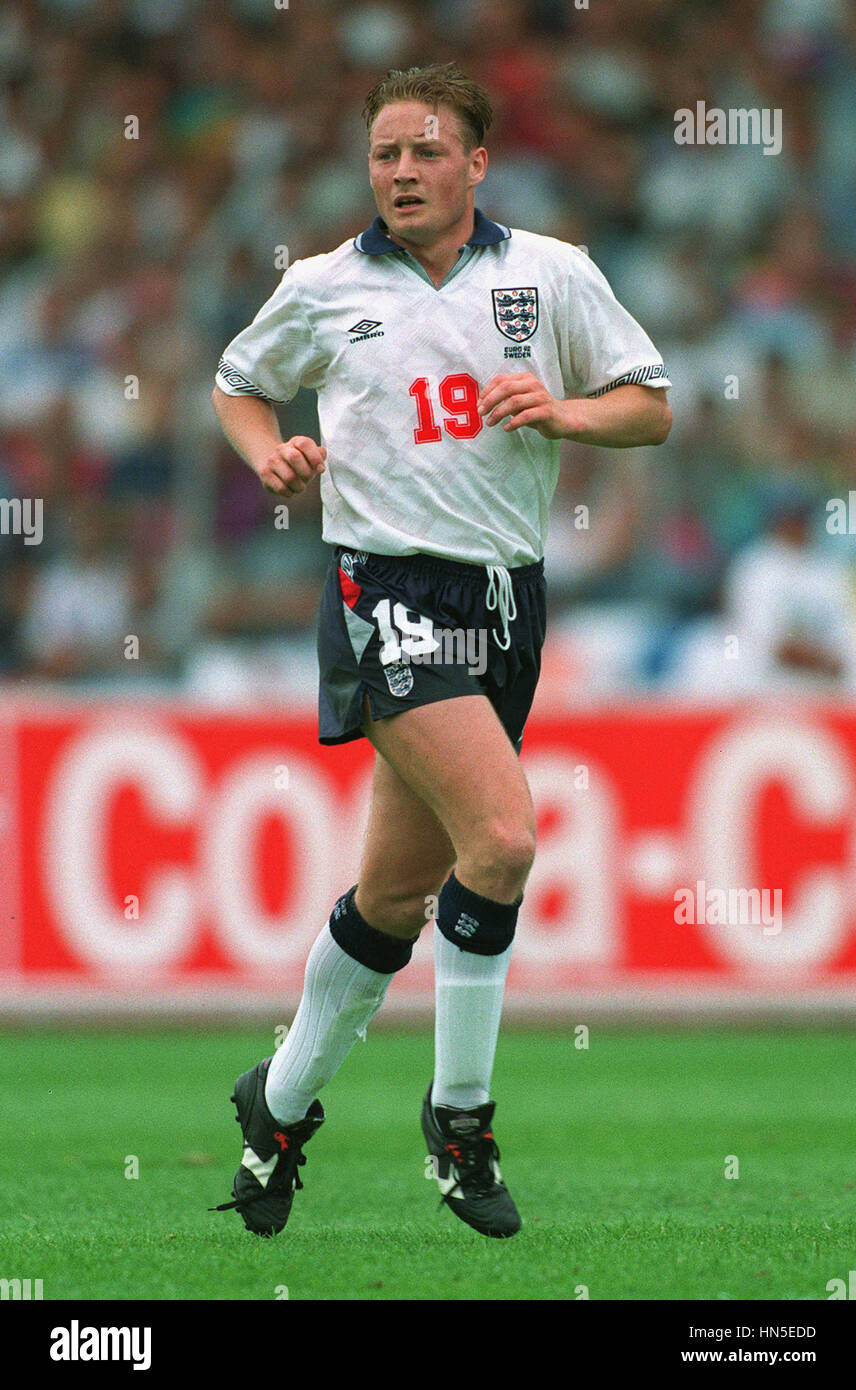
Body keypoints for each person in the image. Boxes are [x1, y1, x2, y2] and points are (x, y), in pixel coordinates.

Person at [209, 62, 671, 1240]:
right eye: (384, 156)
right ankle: (459, 1119)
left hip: (506, 601)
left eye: (424, 152)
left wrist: (567, 410)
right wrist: (269, 453)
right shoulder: (323, 285)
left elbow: (648, 401)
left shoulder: (548, 273)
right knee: (504, 838)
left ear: (475, 163)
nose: (401, 172)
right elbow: (238, 384)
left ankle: (274, 1104)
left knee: (394, 895)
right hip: (384, 593)